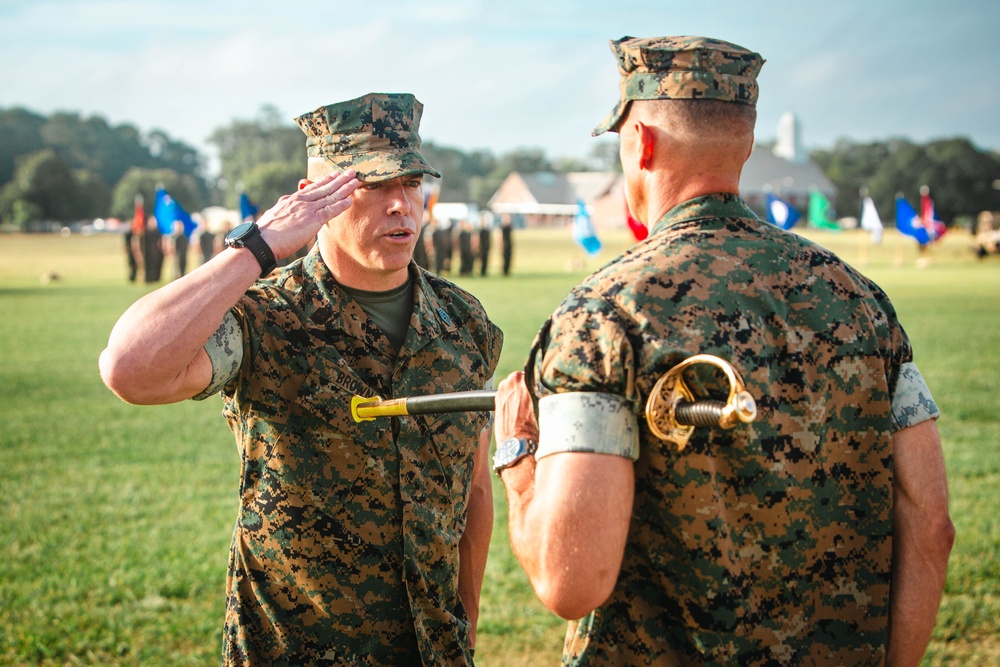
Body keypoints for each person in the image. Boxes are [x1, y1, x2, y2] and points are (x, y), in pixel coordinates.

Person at [493, 36, 953, 667]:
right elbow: (931, 527)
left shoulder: (603, 316)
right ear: (745, 142)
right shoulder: (860, 299)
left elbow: (571, 582)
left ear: (640, 144)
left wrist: (519, 461)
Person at [100, 92, 502, 666]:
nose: (401, 205)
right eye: (374, 186)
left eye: (411, 183)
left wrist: (463, 624)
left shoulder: (463, 322)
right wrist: (256, 250)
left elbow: (475, 489)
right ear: (314, 198)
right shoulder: (264, 315)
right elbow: (129, 369)